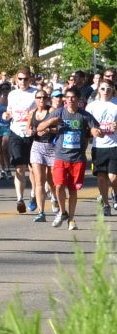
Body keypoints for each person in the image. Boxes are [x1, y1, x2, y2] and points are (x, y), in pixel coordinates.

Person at [49, 86, 97, 230]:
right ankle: (62, 212)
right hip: (61, 156)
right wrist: (49, 123)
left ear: (78, 99)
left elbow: (94, 128)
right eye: (67, 97)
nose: (70, 100)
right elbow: (40, 127)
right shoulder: (59, 113)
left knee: (73, 190)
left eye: (73, 97)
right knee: (58, 186)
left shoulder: (84, 115)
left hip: (78, 159)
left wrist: (95, 131)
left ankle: (71, 219)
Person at [3, 70, 38, 213]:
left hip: (31, 133)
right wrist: (7, 114)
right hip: (16, 132)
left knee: (33, 168)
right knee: (19, 167)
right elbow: (10, 111)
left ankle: (34, 195)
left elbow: (41, 111)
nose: (22, 82)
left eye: (25, 79)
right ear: (16, 80)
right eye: (20, 79)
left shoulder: (36, 93)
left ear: (30, 80)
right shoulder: (12, 94)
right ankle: (20, 199)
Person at [28, 88, 59, 223]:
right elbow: (27, 128)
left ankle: (55, 198)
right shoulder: (32, 113)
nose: (41, 100)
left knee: (52, 180)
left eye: (43, 97)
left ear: (47, 99)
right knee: (39, 180)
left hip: (51, 147)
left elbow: (59, 128)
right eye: (39, 97)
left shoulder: (52, 111)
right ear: (35, 99)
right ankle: (41, 212)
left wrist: (47, 129)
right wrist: (31, 131)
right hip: (37, 146)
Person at [86, 78, 117, 216]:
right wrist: (92, 130)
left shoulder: (116, 104)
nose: (105, 91)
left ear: (113, 90)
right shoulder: (92, 106)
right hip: (98, 146)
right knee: (101, 177)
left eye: (108, 89)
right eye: (103, 88)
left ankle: (115, 194)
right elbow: (85, 124)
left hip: (114, 145)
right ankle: (105, 203)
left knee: (113, 177)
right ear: (98, 89)